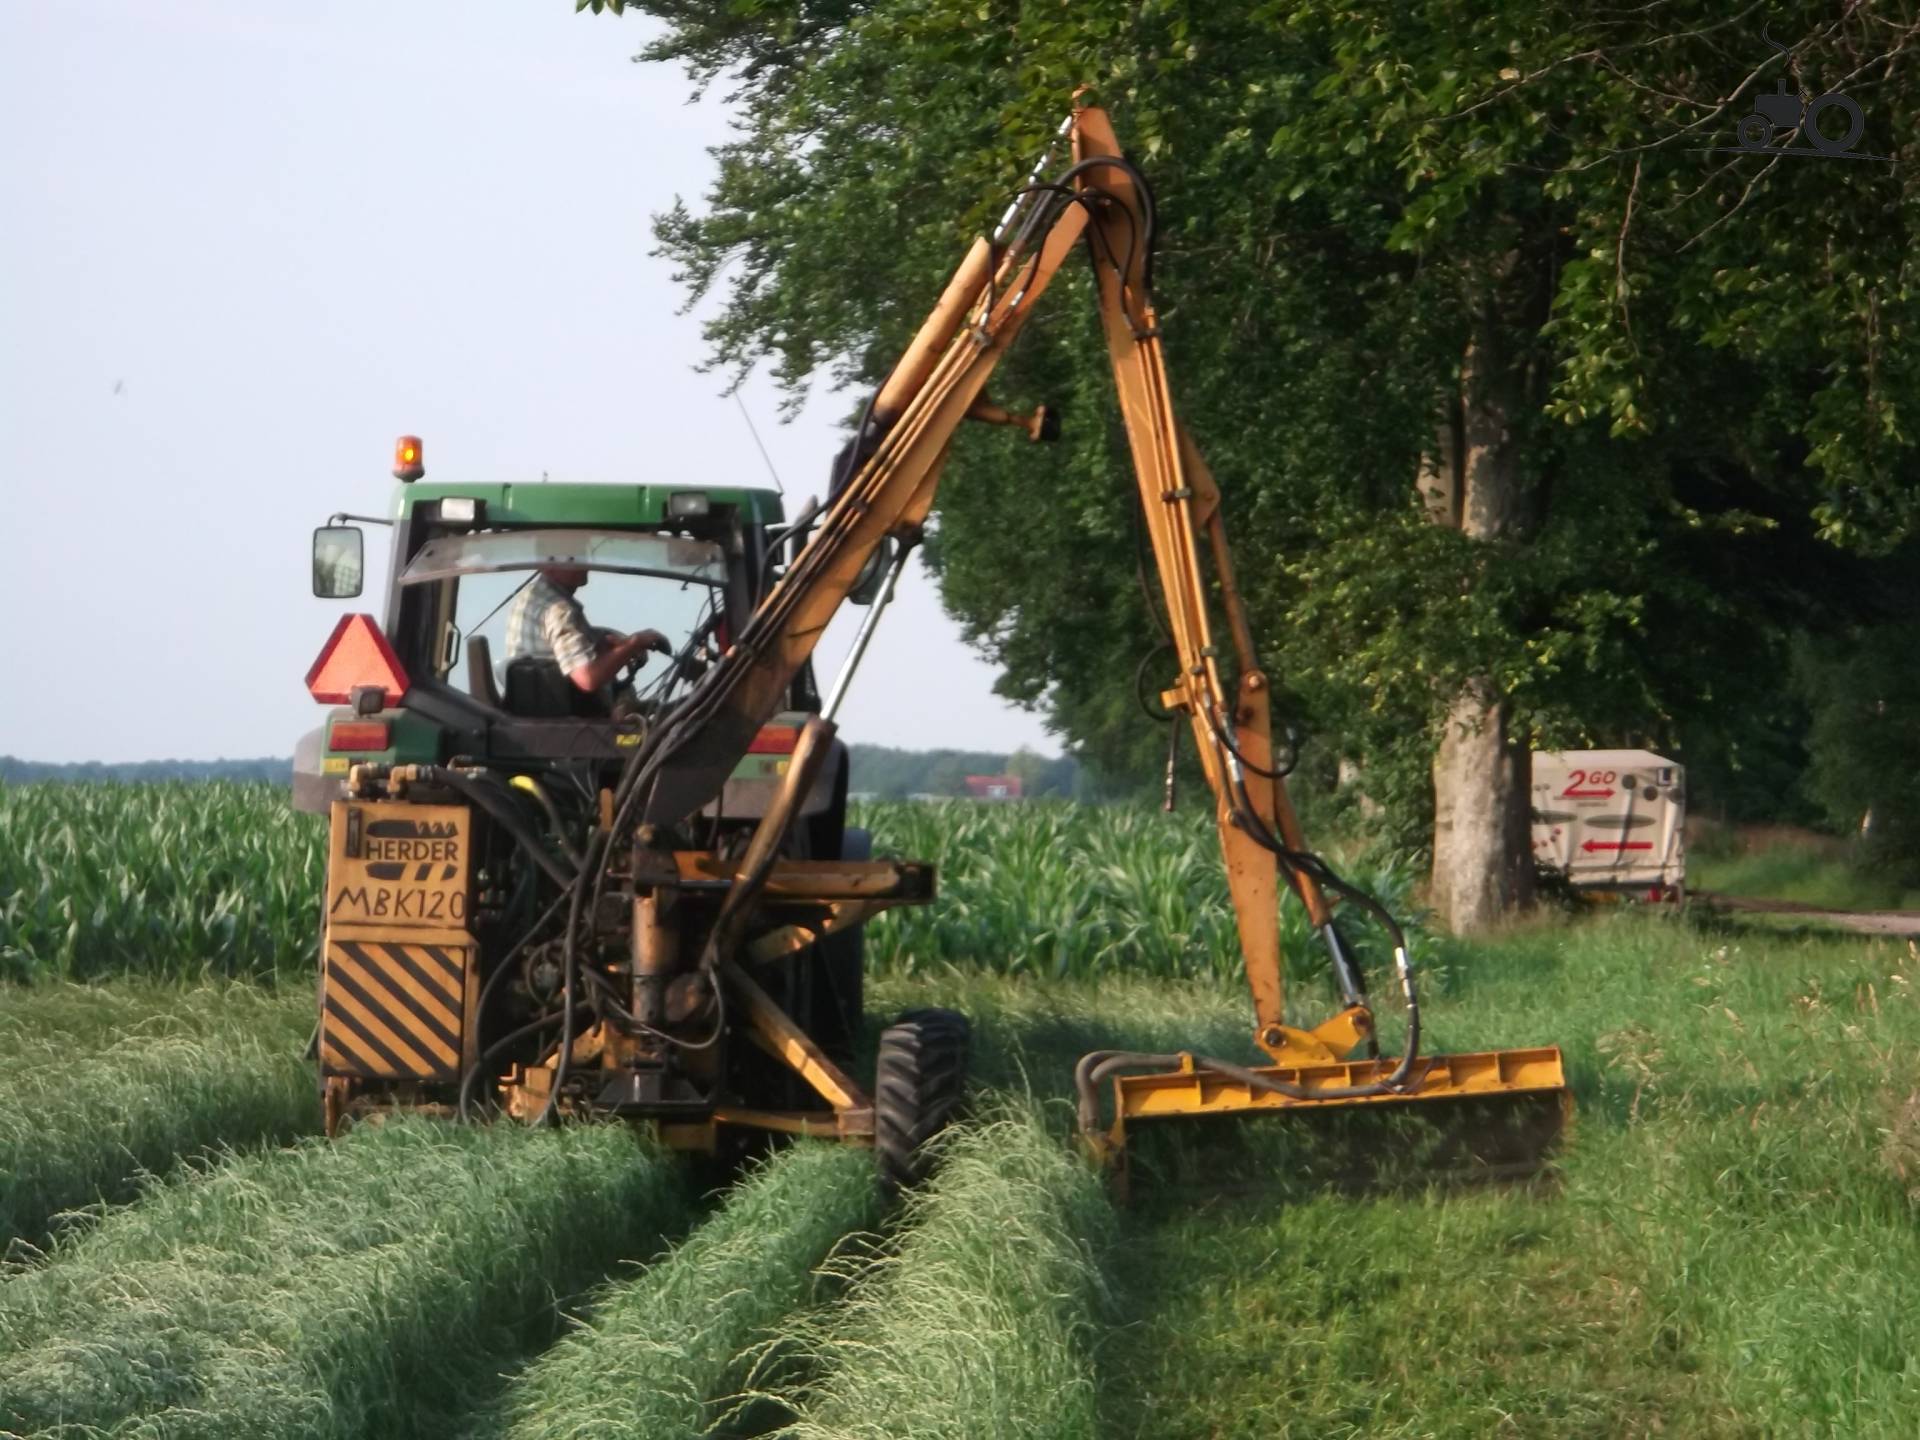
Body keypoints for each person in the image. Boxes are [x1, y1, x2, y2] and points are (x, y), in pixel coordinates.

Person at [504, 565, 671, 695]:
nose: (583, 562)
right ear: (547, 565)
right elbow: (588, 679)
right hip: (572, 721)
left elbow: (560, 642)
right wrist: (635, 643)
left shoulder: (530, 596)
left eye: (582, 553)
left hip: (537, 707)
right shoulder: (560, 610)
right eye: (572, 557)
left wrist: (614, 644)